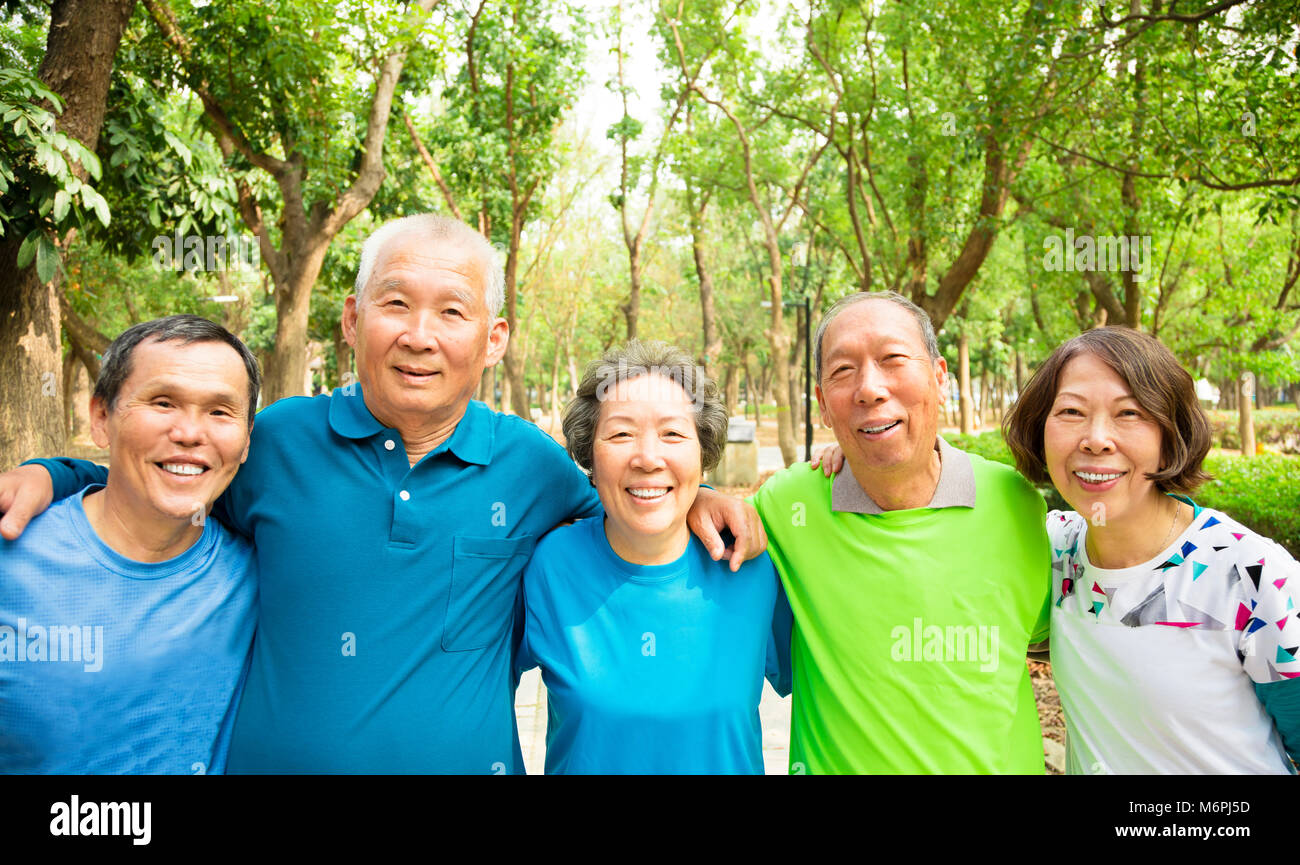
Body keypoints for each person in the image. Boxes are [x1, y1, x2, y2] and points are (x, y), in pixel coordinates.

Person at [0, 215, 766, 774]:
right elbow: (166, 474)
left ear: (493, 340)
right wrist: (54, 474)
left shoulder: (530, 466)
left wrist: (704, 495)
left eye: (453, 312)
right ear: (353, 319)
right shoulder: (277, 441)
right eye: (396, 304)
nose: (420, 335)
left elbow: (637, 499)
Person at [766, 290, 1052, 773]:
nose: (869, 388)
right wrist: (703, 493)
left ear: (940, 378)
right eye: (842, 371)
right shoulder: (786, 507)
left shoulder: (1017, 504)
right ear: (822, 403)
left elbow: (1071, 628)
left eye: (893, 359)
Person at [1002, 326, 1300, 774]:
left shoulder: (1250, 574)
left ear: (1170, 435)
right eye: (1070, 411)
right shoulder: (1053, 551)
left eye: (1130, 413)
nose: (1096, 439)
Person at [0, 315, 259, 773]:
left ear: (246, 441)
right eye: (163, 402)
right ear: (101, 418)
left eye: (220, 412)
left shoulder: (263, 570)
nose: (190, 433)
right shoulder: (13, 559)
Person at [517, 341, 791, 774]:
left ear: (703, 456)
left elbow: (845, 685)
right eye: (622, 433)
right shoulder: (550, 567)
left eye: (673, 434)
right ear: (590, 457)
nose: (647, 457)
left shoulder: (751, 567)